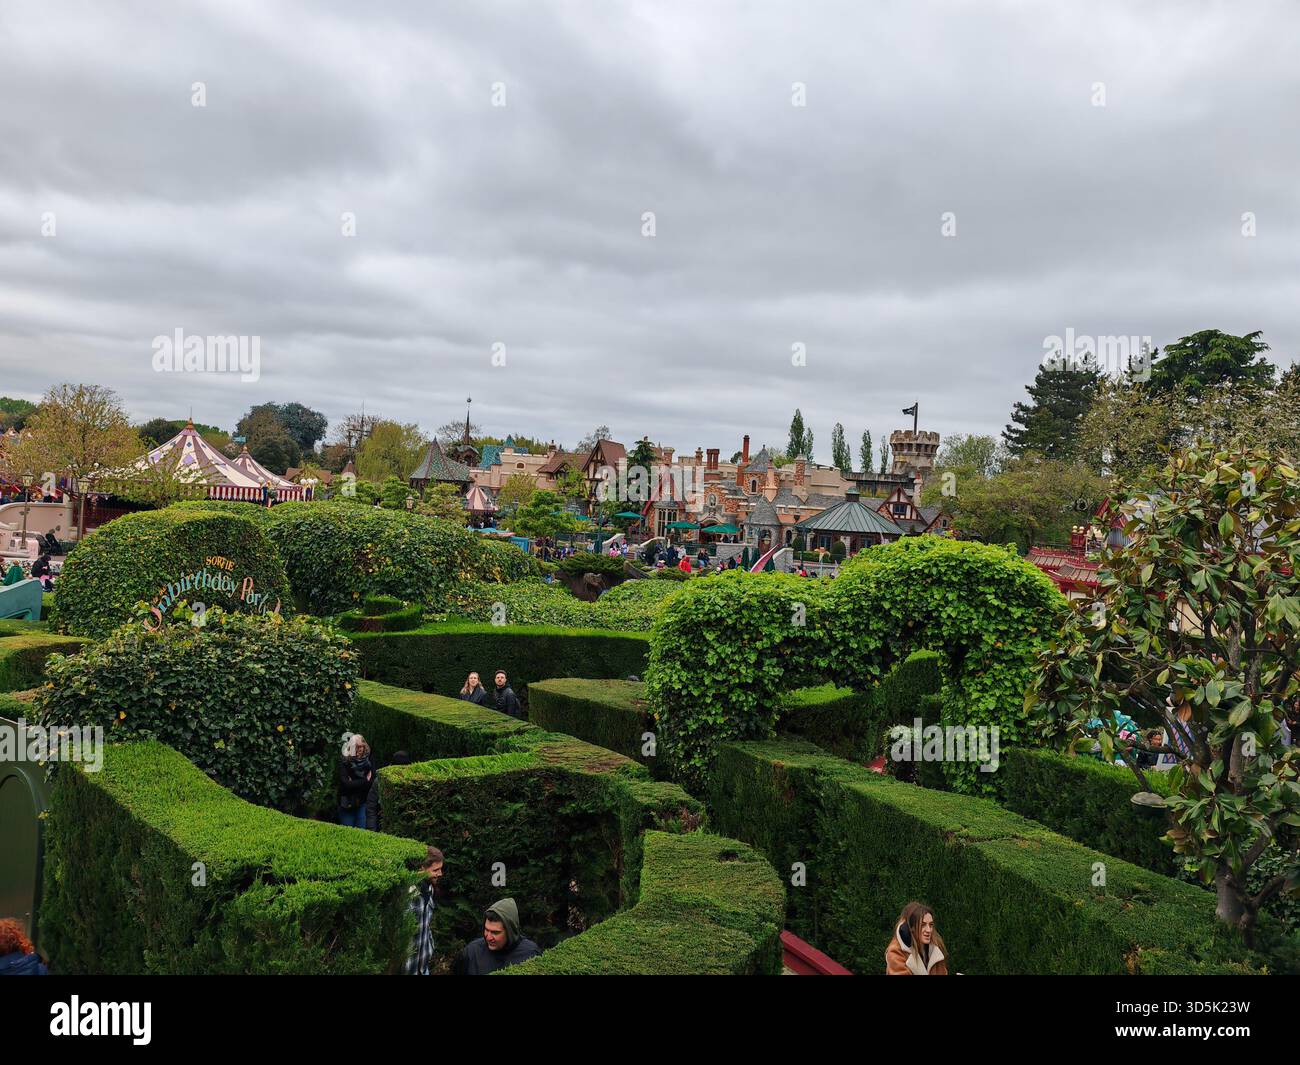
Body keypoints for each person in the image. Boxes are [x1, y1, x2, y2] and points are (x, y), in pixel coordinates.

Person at [453, 898, 541, 974]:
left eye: (495, 932)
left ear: (510, 931)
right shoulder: (471, 953)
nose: (488, 937)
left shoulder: (530, 953)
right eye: (486, 930)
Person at [404, 846, 445, 975]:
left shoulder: (429, 888)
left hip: (423, 967)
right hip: (407, 968)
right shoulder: (408, 895)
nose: (440, 873)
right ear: (422, 868)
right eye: (436, 870)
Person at [886, 901, 949, 975]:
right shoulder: (896, 952)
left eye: (931, 925)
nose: (928, 930)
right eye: (923, 925)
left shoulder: (935, 950)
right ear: (911, 927)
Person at [366, 750, 411, 833]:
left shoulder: (413, 780)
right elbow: (371, 807)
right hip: (384, 826)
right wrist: (372, 830)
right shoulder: (380, 780)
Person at [338, 734, 374, 829]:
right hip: (347, 803)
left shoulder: (368, 761)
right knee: (346, 832)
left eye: (360, 746)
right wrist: (364, 780)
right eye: (356, 746)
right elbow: (346, 785)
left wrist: (354, 782)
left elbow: (371, 784)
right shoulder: (345, 761)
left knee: (361, 832)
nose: (359, 749)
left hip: (362, 802)